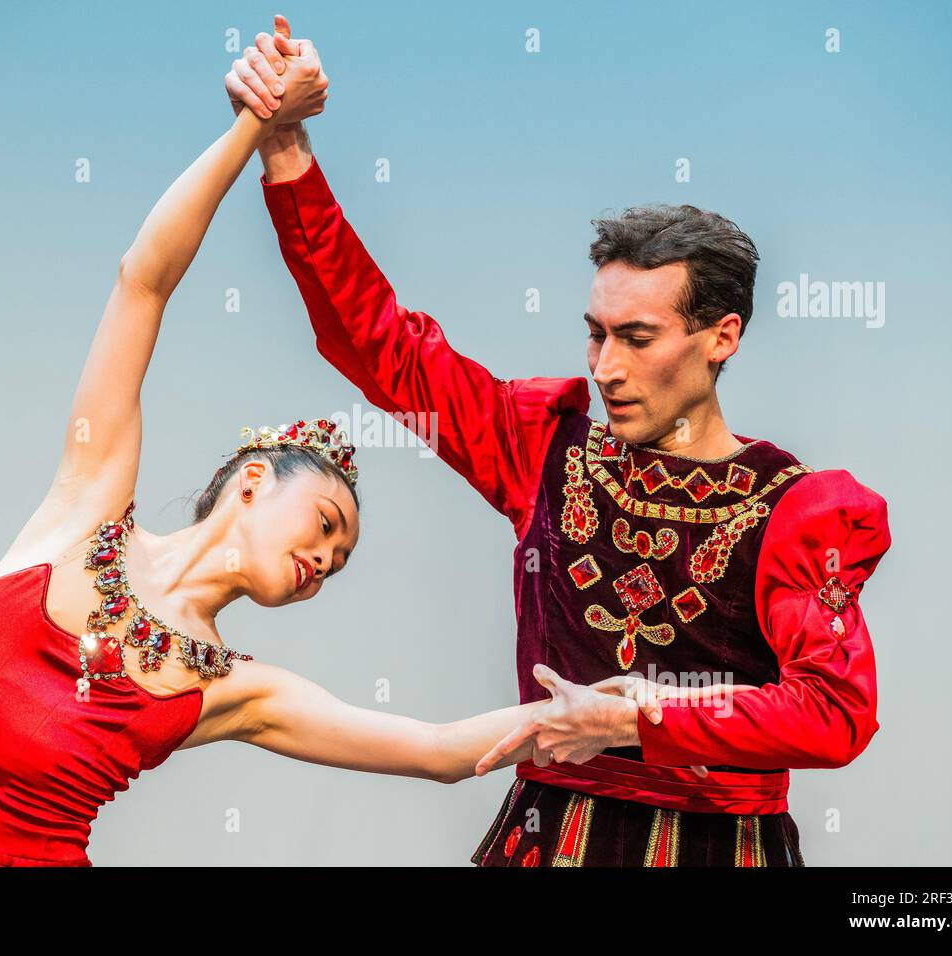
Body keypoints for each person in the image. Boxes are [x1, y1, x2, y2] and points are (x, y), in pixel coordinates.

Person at [0, 42, 664, 869]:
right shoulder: (84, 505)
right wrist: (257, 126)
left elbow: (438, 749)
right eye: (327, 527)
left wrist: (602, 711)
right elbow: (141, 283)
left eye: (337, 565)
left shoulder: (238, 691)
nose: (324, 562)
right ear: (254, 482)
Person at [230, 16, 891, 866]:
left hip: (724, 849)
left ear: (721, 337)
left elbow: (834, 713)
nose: (606, 366)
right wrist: (284, 140)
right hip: (552, 835)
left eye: (638, 338)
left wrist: (636, 717)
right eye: (595, 333)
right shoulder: (544, 446)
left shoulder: (799, 511)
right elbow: (378, 343)